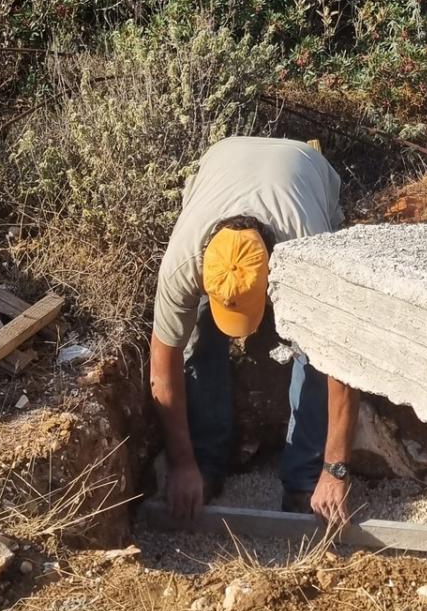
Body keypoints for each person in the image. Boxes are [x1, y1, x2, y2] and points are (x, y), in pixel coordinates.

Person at [149, 136, 357, 526]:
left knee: (313, 349)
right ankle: (207, 465)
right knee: (197, 338)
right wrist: (181, 464)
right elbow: (164, 364)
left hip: (304, 168)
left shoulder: (311, 256)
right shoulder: (184, 262)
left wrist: (336, 471)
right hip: (223, 159)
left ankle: (305, 479)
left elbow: (341, 367)